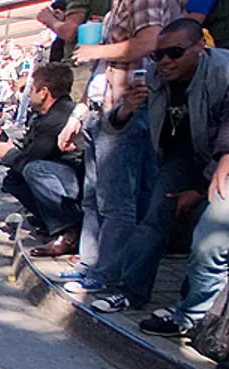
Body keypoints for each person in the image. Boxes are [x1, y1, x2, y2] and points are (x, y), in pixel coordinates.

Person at [91, 20, 227, 315]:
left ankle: (190, 312)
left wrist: (202, 190)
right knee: (153, 221)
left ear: (200, 48)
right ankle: (130, 291)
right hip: (181, 156)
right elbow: (112, 129)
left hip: (223, 159)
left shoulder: (223, 72)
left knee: (208, 236)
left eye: (175, 52)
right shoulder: (154, 76)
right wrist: (126, 109)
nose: (164, 61)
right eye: (158, 55)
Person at [60, 0, 182, 295]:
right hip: (103, 107)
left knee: (116, 202)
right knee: (93, 198)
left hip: (126, 110)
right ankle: (90, 265)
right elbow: (107, 66)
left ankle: (107, 273)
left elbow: (150, 41)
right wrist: (80, 112)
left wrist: (96, 50)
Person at [0, 62, 84, 258]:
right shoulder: (48, 114)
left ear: (44, 92)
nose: (28, 95)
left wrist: (9, 154)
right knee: (14, 180)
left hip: (75, 181)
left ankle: (69, 232)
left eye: (30, 89)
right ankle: (48, 221)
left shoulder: (58, 117)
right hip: (64, 177)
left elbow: (31, 159)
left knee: (33, 170)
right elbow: (27, 153)